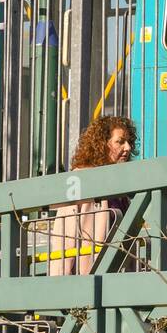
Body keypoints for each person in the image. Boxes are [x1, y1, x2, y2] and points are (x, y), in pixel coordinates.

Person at [46, 116, 138, 276]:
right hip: (90, 280)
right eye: (120, 141)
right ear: (102, 144)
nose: (128, 147)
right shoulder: (80, 180)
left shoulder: (120, 186)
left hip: (118, 279)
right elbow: (65, 237)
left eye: (129, 142)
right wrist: (59, 284)